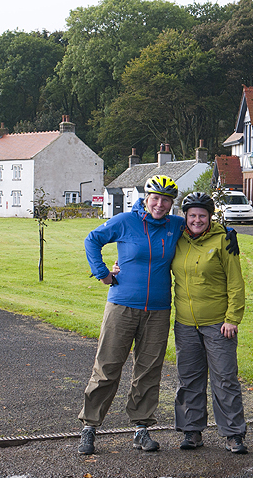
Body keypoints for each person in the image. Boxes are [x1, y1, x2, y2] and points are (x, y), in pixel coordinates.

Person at [78, 175, 185, 455]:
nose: (160, 204)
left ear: (172, 203)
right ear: (146, 198)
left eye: (166, 200)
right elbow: (93, 239)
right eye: (156, 198)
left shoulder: (175, 226)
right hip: (122, 305)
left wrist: (227, 235)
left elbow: (203, 227)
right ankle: (89, 427)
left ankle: (141, 429)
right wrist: (102, 273)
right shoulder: (126, 221)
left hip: (158, 310)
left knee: (148, 371)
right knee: (108, 367)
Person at [171, 192, 248, 454]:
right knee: (189, 379)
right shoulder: (177, 239)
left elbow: (236, 282)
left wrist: (232, 318)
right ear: (185, 216)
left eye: (202, 215)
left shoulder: (224, 239)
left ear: (210, 216)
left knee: (224, 379)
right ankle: (192, 431)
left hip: (218, 324)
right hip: (185, 323)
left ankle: (233, 434)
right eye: (192, 215)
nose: (197, 220)